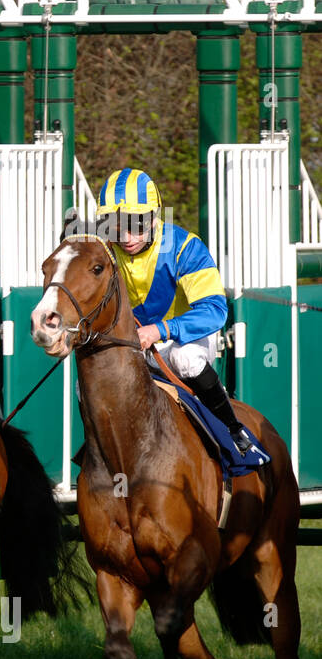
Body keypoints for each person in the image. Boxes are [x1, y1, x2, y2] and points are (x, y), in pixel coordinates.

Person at [96, 167, 255, 456]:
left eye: (137, 224)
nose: (127, 236)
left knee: (186, 360)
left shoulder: (185, 247)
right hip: (131, 343)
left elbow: (215, 311)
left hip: (183, 339)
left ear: (155, 217)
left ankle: (232, 430)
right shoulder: (106, 250)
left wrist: (160, 330)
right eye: (117, 225)